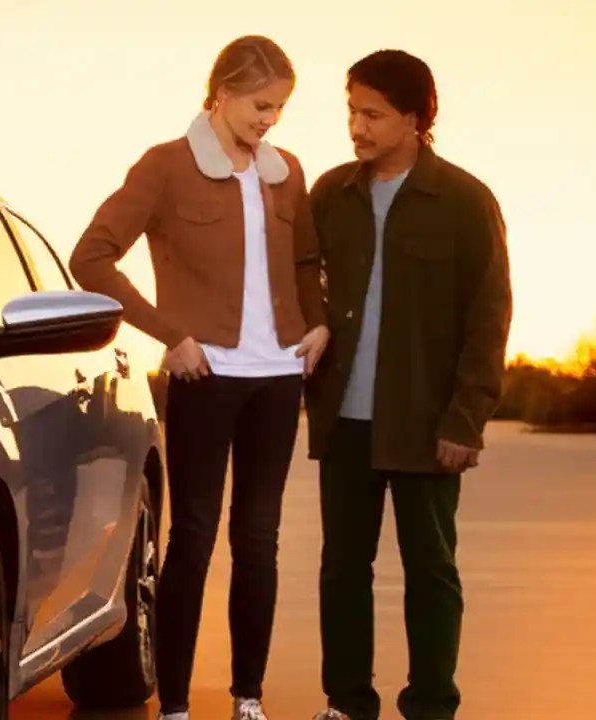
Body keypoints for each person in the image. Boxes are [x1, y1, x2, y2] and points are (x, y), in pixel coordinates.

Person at [68, 35, 329, 720]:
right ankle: (177, 705)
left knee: (259, 540)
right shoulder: (165, 166)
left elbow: (306, 262)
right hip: (204, 376)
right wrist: (170, 336)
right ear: (221, 93)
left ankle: (248, 698)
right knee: (192, 538)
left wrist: (319, 323)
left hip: (279, 377)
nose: (270, 120)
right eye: (260, 105)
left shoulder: (286, 173)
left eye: (280, 108)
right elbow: (91, 258)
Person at [303, 50, 513, 720]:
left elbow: (489, 317)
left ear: (415, 119)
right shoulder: (330, 194)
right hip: (344, 419)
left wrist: (466, 419)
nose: (356, 127)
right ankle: (347, 703)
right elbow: (299, 282)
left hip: (426, 422)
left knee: (431, 571)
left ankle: (430, 706)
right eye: (351, 112)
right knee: (342, 570)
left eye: (373, 114)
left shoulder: (465, 201)